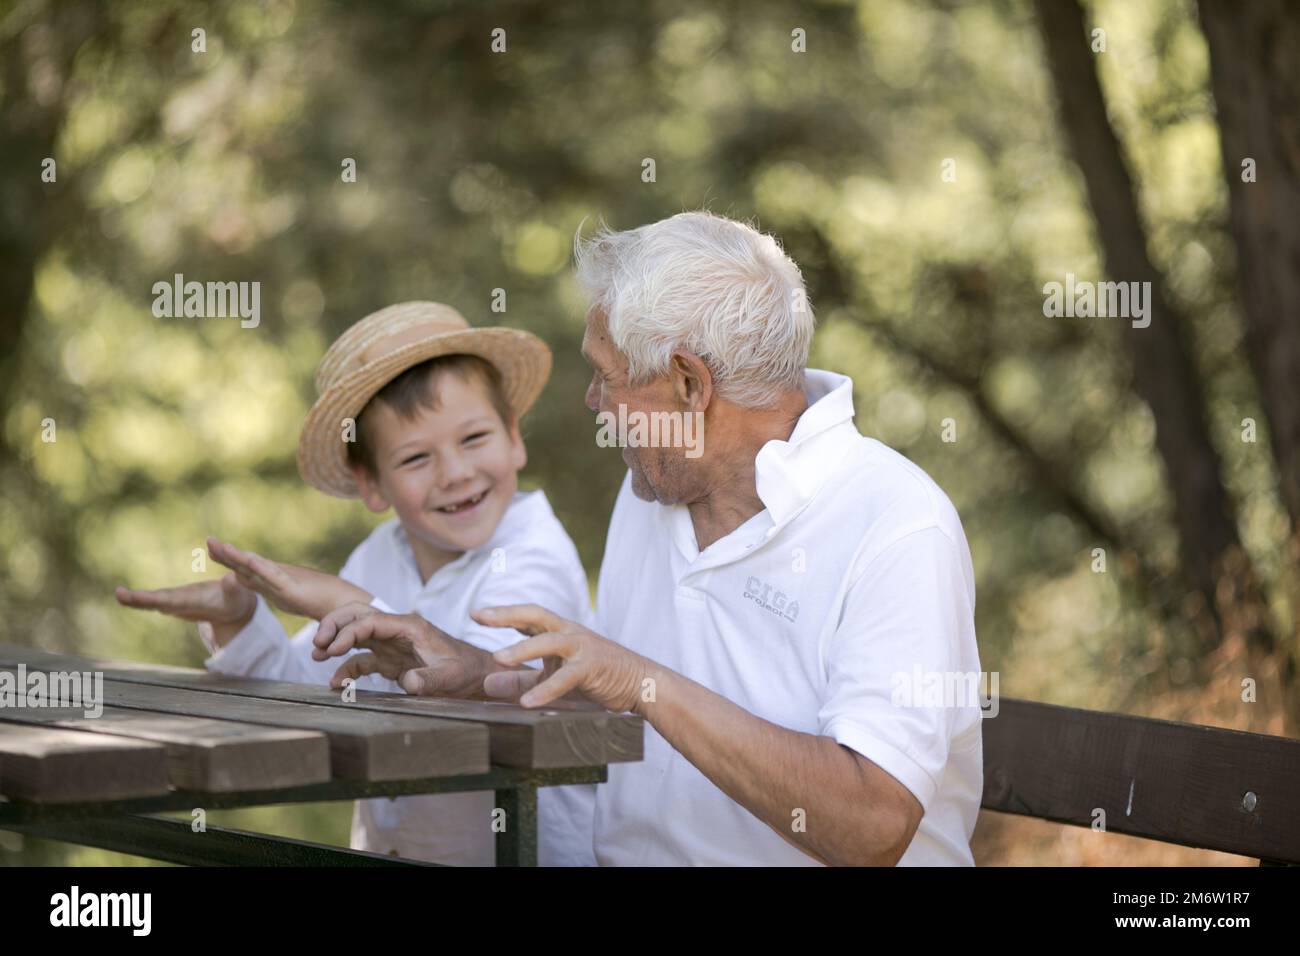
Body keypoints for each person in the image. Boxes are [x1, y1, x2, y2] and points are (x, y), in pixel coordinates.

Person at [310, 213, 986, 866]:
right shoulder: (649, 496)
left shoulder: (894, 523)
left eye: (607, 375)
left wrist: (643, 682)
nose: (593, 402)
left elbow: (871, 829)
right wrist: (472, 671)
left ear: (690, 384)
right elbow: (622, 695)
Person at [117, 301, 596, 866]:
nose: (455, 473)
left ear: (514, 437)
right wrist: (237, 620)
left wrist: (347, 602)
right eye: (416, 457)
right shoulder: (379, 556)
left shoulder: (533, 549)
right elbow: (304, 685)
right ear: (372, 485)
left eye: (474, 439)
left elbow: (491, 681)